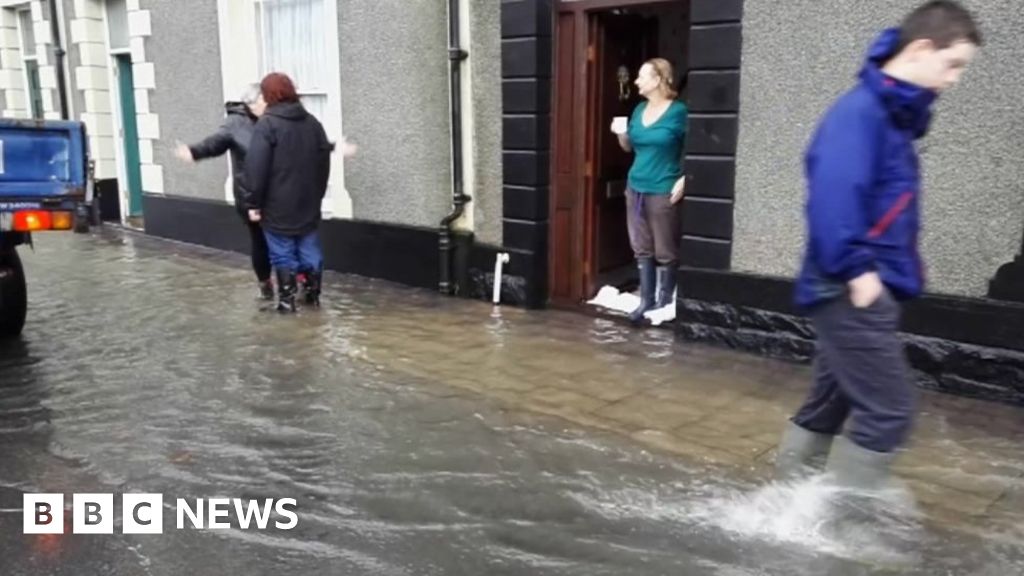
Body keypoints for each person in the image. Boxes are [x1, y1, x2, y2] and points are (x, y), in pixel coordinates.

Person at [776, 1, 981, 490]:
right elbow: (833, 197)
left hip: (862, 286)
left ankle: (785, 510)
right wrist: (858, 274)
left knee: (830, 402)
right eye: (953, 64)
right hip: (851, 287)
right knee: (889, 412)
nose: (954, 79)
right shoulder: (862, 114)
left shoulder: (889, 119)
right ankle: (841, 531)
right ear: (921, 48)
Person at [244, 72, 355, 313]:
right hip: (307, 202)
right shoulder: (312, 122)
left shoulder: (267, 125)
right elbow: (323, 159)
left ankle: (286, 303)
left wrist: (254, 203)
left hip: (277, 205)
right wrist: (317, 194)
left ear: (268, 95)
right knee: (309, 248)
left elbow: (256, 167)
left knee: (282, 252)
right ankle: (313, 296)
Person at [175, 84, 272, 300]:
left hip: (275, 192)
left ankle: (290, 284)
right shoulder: (234, 124)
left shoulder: (271, 120)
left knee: (282, 239)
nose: (268, 106)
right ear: (252, 103)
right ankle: (265, 284)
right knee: (259, 241)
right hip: (250, 194)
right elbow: (215, 143)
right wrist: (193, 152)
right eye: (265, 101)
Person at [611, 58, 688, 324]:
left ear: (657, 80)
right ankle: (646, 300)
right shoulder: (638, 110)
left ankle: (664, 303)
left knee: (665, 248)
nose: (636, 81)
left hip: (663, 187)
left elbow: (694, 147)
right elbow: (629, 147)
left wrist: (686, 177)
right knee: (641, 246)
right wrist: (621, 134)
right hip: (635, 187)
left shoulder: (678, 112)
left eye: (641, 77)